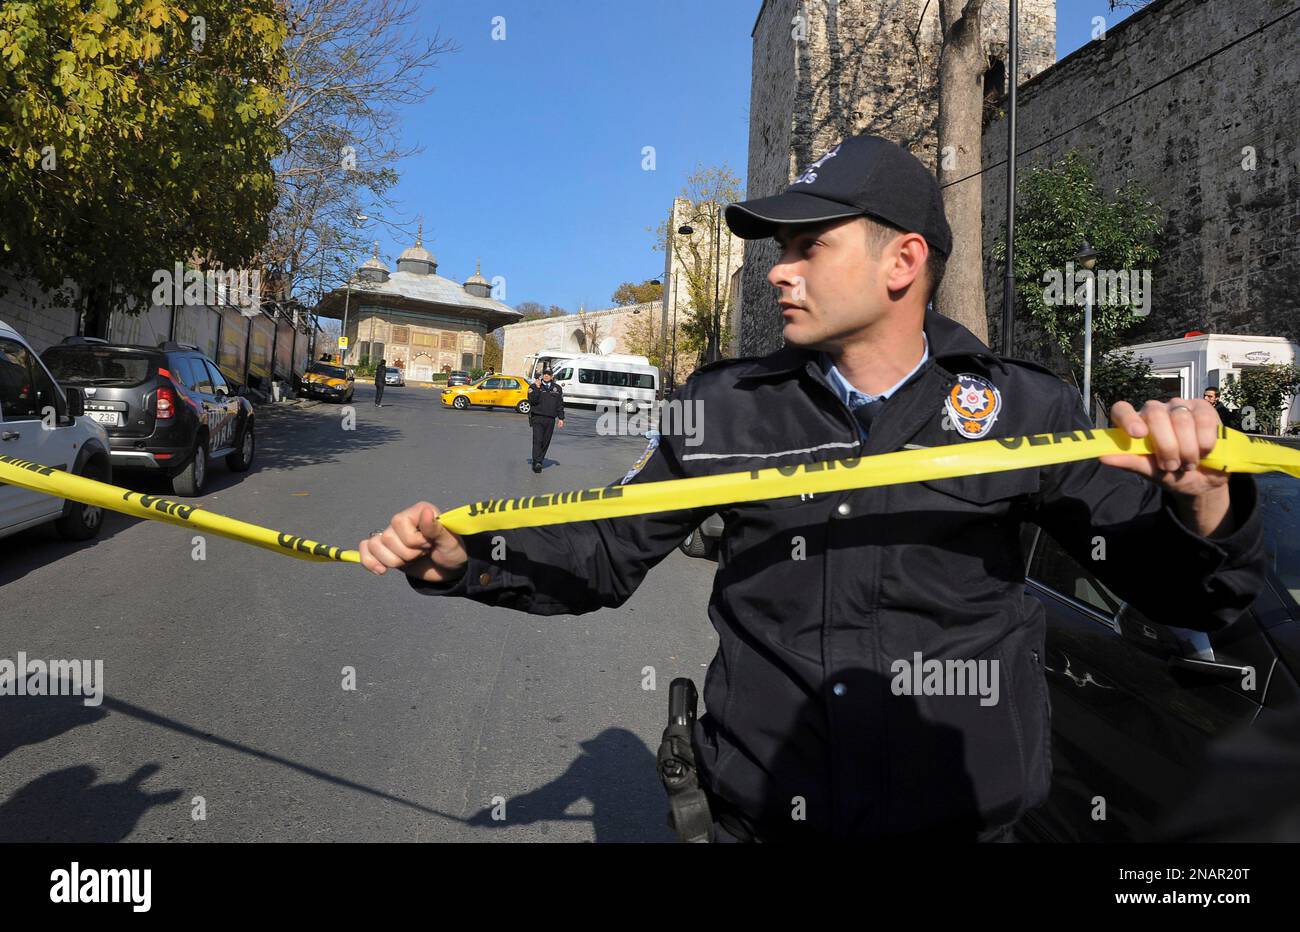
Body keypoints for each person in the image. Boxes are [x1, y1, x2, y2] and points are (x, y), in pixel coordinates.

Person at [359, 133, 1267, 842]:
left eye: (807, 245)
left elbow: (1191, 595)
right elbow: (599, 552)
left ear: (902, 262)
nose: (779, 269)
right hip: (757, 821)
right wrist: (465, 558)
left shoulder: (1025, 409)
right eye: (778, 247)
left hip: (956, 828)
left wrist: (1207, 502)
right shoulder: (722, 409)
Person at [526, 369, 564, 473]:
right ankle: (537, 462)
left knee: (546, 441)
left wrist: (561, 418)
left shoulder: (557, 388)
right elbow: (532, 401)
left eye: (549, 374)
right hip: (537, 417)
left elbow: (559, 404)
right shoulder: (534, 386)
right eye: (545, 374)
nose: (546, 376)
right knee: (538, 440)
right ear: (542, 376)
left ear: (552, 376)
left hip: (550, 419)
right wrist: (537, 388)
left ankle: (540, 459)